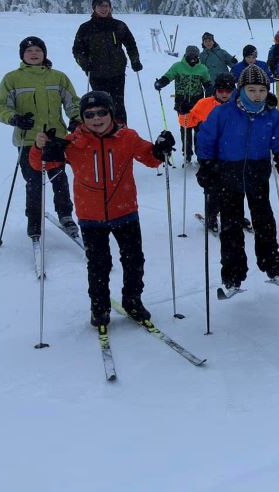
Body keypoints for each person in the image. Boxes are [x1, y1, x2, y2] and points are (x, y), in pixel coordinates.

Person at [30, 91, 174, 326]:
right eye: (90, 115)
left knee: (133, 260)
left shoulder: (127, 137)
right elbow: (40, 164)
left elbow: (150, 158)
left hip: (125, 211)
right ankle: (99, 307)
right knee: (99, 264)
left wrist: (161, 148)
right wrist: (39, 146)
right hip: (90, 216)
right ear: (83, 118)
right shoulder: (73, 142)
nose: (96, 119)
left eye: (101, 113)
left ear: (111, 113)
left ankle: (133, 301)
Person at [196, 64, 279, 292]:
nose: (257, 95)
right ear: (241, 89)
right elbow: (206, 139)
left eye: (262, 90)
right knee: (231, 228)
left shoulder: (271, 114)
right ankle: (233, 275)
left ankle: (272, 266)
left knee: (265, 223)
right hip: (228, 176)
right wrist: (206, 166)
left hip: (257, 174)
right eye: (252, 90)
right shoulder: (223, 112)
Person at [0, 36, 81, 245]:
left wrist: (76, 118)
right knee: (33, 182)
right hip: (27, 140)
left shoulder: (58, 77)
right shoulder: (12, 79)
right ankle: (34, 220)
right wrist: (14, 118)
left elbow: (72, 102)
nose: (34, 54)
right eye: (29, 51)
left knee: (59, 179)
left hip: (56, 138)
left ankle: (65, 215)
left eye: (38, 50)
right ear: (22, 55)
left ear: (44, 54)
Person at [71, 0, 142, 125]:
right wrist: (85, 63)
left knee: (118, 105)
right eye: (100, 6)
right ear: (94, 8)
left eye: (106, 5)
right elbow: (77, 50)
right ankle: (102, 131)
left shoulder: (118, 25)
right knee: (101, 105)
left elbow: (131, 44)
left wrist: (135, 60)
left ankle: (122, 132)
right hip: (96, 74)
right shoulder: (86, 28)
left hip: (117, 73)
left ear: (110, 7)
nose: (104, 9)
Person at [184, 73, 238, 232]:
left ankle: (235, 215)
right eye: (221, 90)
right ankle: (211, 215)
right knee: (212, 187)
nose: (224, 94)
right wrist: (184, 112)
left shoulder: (238, 105)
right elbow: (188, 122)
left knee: (233, 187)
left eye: (228, 91)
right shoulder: (204, 104)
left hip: (231, 153)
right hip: (208, 153)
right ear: (215, 90)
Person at [154, 45, 211, 163]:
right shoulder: (178, 67)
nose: (193, 59)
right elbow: (168, 76)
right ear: (186, 55)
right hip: (182, 103)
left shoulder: (202, 68)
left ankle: (200, 154)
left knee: (199, 131)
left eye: (195, 56)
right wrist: (161, 82)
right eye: (190, 56)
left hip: (198, 104)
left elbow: (207, 82)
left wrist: (210, 91)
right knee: (185, 130)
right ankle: (187, 154)